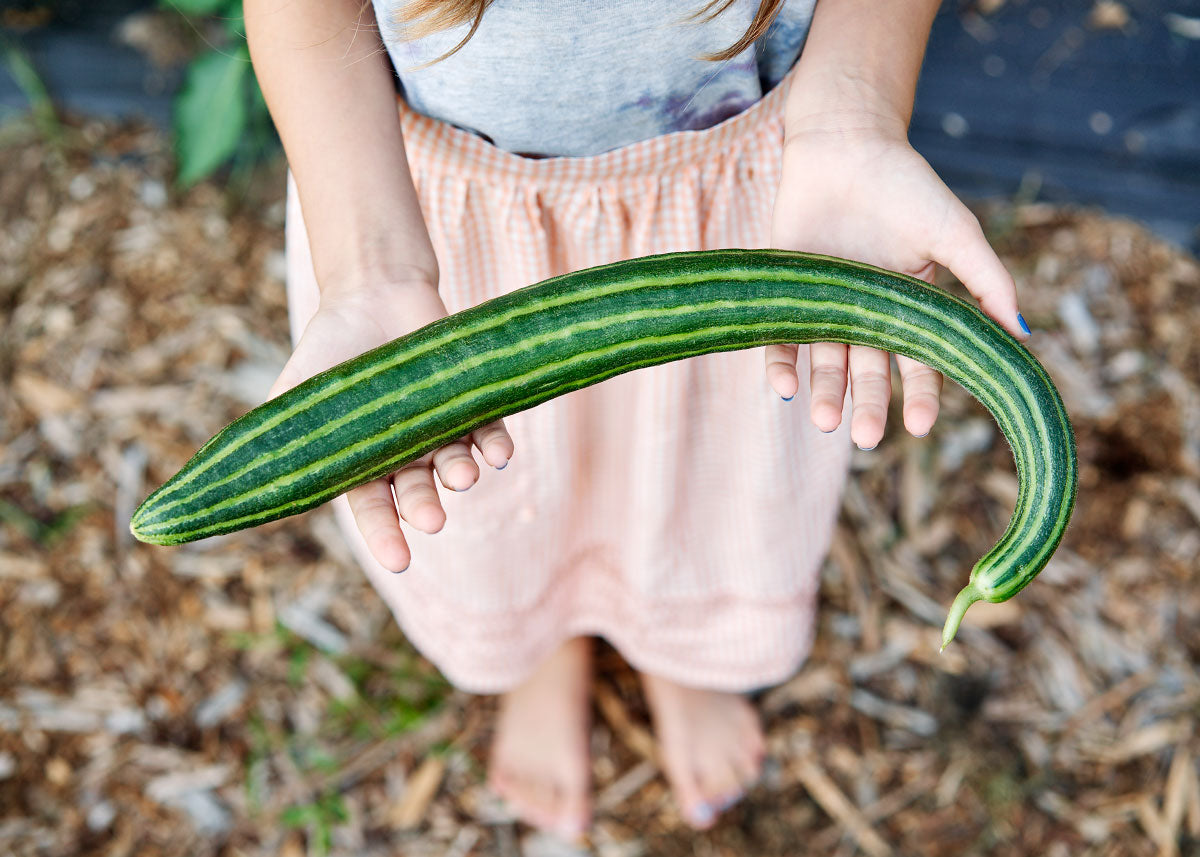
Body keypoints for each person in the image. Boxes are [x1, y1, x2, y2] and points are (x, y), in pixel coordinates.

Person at [245, 0, 1029, 839]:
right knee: (499, 494)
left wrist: (857, 113)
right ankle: (544, 647)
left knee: (708, 475)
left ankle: (678, 650)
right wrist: (369, 269)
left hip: (759, 204)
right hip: (437, 231)